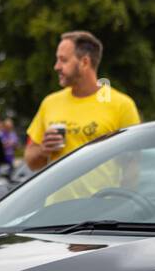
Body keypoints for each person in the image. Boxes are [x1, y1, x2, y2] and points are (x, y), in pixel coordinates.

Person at [25, 31, 141, 171]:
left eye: (63, 60)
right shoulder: (49, 103)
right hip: (59, 194)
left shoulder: (122, 105)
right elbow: (31, 163)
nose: (56, 67)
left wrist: (122, 193)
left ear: (84, 62)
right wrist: (43, 150)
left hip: (104, 194)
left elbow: (132, 166)